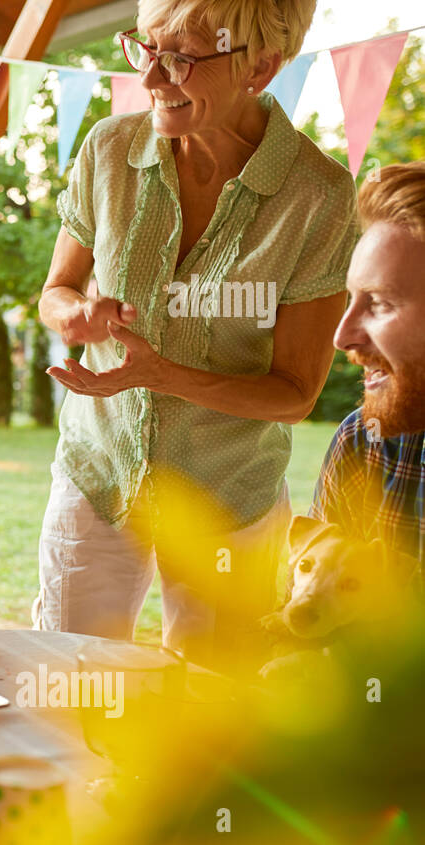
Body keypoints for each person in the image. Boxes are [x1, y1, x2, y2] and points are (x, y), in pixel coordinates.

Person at [32, 0, 357, 666]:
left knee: (217, 704)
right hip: (99, 470)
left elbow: (294, 395)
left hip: (229, 496)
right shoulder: (109, 149)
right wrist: (74, 316)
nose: (151, 79)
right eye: (144, 48)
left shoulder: (319, 196)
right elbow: (55, 291)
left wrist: (164, 374)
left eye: (179, 58)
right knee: (70, 679)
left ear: (261, 65)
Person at [314, 161, 425, 571]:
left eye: (378, 303)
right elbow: (314, 623)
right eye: (351, 299)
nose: (342, 337)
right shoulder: (365, 443)